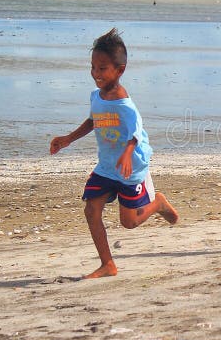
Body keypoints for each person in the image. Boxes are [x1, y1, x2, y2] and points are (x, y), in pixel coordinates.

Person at [50, 28, 178, 278]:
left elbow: (136, 133)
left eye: (102, 68)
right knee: (91, 209)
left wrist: (128, 153)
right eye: (93, 67)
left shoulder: (124, 103)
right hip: (107, 166)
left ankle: (158, 203)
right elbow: (93, 121)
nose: (96, 73)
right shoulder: (97, 97)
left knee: (128, 222)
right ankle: (108, 264)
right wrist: (67, 139)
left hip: (131, 167)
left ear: (119, 70)